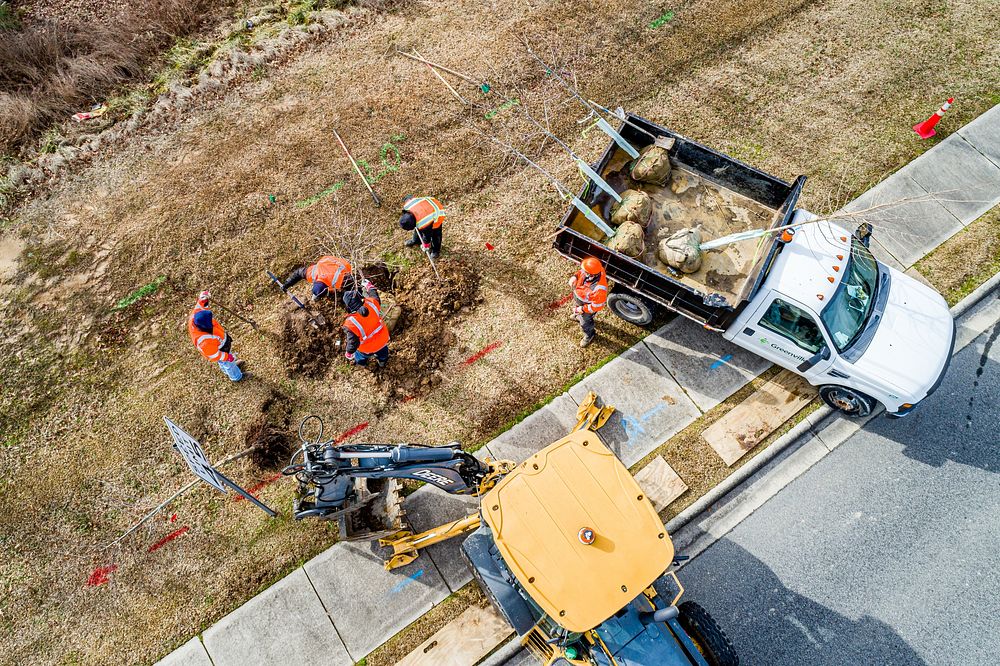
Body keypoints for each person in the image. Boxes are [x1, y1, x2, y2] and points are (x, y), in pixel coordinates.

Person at [188, 290, 243, 381]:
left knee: (226, 363)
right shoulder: (204, 342)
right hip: (220, 350)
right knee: (227, 363)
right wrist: (226, 357)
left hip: (221, 342)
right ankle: (236, 377)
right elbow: (214, 355)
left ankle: (229, 367)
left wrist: (203, 298)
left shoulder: (197, 315)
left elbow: (200, 306)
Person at [342, 279, 390, 368]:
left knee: (360, 357)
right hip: (382, 339)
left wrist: (349, 353)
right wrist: (369, 286)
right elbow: (375, 296)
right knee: (383, 353)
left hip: (367, 348)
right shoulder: (371, 303)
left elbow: (353, 343)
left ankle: (362, 364)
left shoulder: (351, 323)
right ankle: (382, 362)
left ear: (348, 307)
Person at [568, 257, 608, 348]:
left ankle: (589, 335)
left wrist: (581, 309)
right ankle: (578, 315)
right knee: (578, 310)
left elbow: (596, 307)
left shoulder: (599, 290)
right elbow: (581, 273)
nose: (582, 271)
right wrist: (575, 277)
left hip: (587, 307)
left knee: (585, 322)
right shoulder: (594, 270)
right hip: (580, 299)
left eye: (584, 271)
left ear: (592, 275)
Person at [281, 255, 353, 301]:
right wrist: (287, 283)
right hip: (327, 261)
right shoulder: (312, 273)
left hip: (344, 264)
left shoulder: (338, 280)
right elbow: (298, 272)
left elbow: (352, 284)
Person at [399, 195, 446, 259]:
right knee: (419, 228)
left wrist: (426, 245)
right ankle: (416, 240)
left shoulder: (424, 222)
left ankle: (436, 250)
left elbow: (427, 236)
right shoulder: (408, 205)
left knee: (435, 233)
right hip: (426, 205)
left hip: (437, 211)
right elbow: (408, 197)